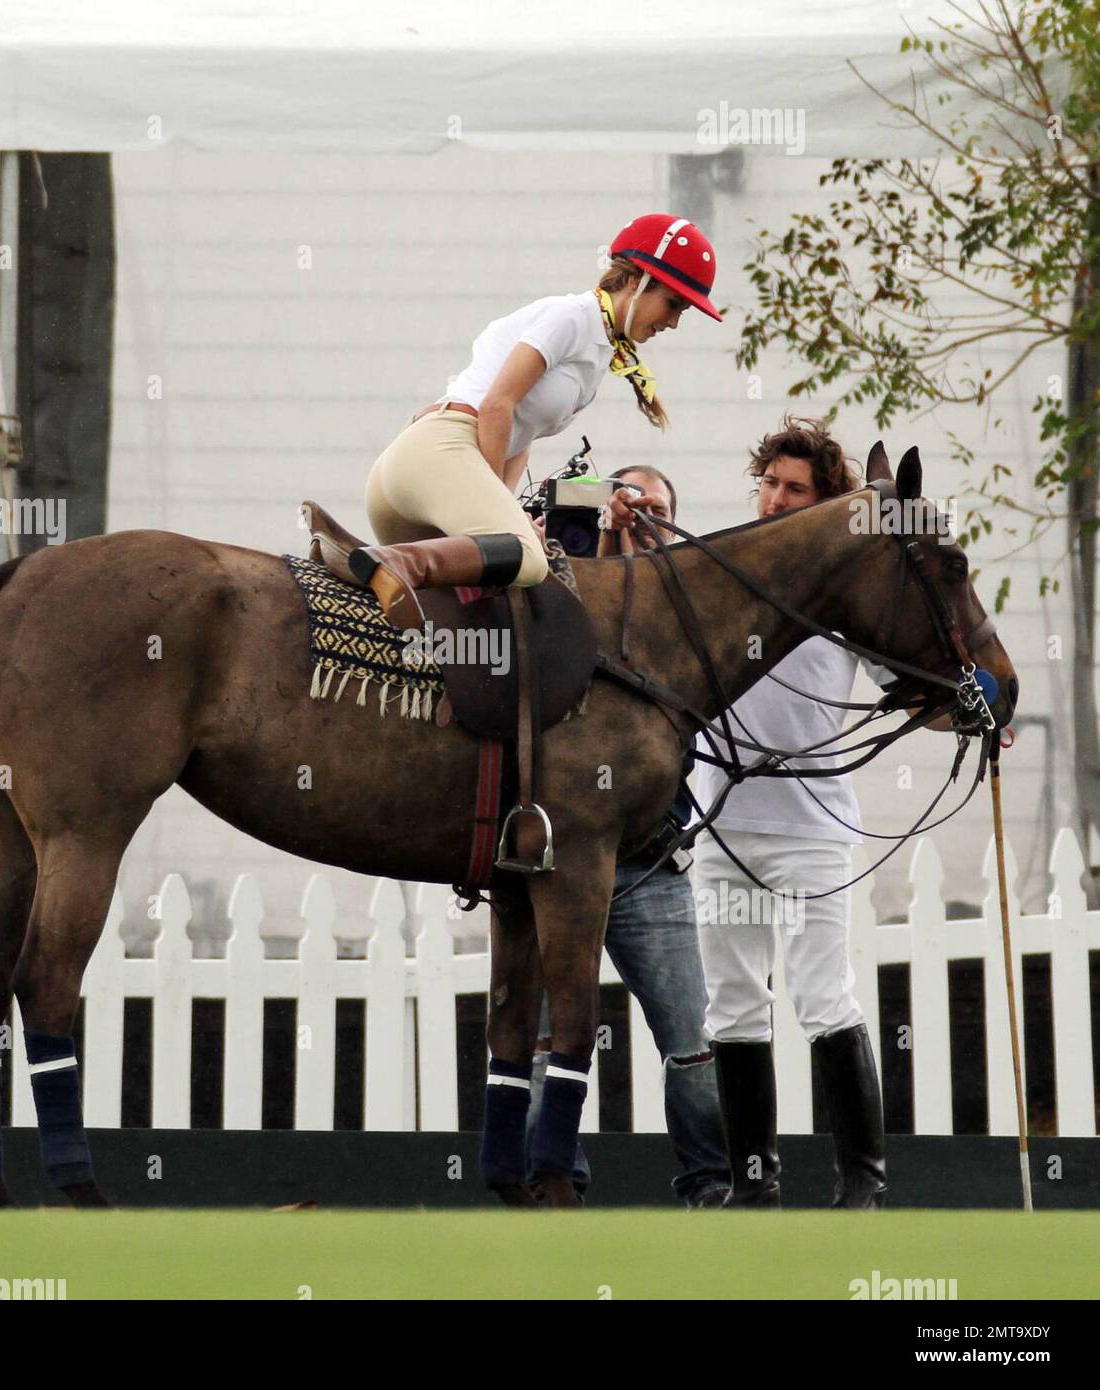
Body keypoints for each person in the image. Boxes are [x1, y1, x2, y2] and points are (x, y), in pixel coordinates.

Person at [690, 416, 894, 1209]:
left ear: (821, 503)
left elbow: (909, 674)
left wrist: (979, 703)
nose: (774, 498)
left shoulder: (847, 595)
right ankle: (755, 1189)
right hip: (723, 828)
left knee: (823, 998)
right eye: (768, 483)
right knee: (733, 1006)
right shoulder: (719, 571)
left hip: (811, 831)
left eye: (794, 488)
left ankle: (863, 1188)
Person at [348, 215, 722, 630]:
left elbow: (520, 434)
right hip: (438, 454)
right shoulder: (573, 317)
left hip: (424, 473)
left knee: (494, 605)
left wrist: (503, 509)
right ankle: (396, 562)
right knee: (528, 559)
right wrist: (502, 526)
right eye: (674, 304)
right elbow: (496, 407)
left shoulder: (598, 352)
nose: (673, 322)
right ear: (638, 281)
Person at [525, 465, 732, 1208]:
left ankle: (712, 1182)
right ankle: (549, 1183)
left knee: (694, 1043)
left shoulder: (691, 614)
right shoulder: (570, 589)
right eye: (628, 501)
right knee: (547, 1043)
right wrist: (586, 537)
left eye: (660, 509)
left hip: (652, 866)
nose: (644, 516)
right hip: (563, 864)